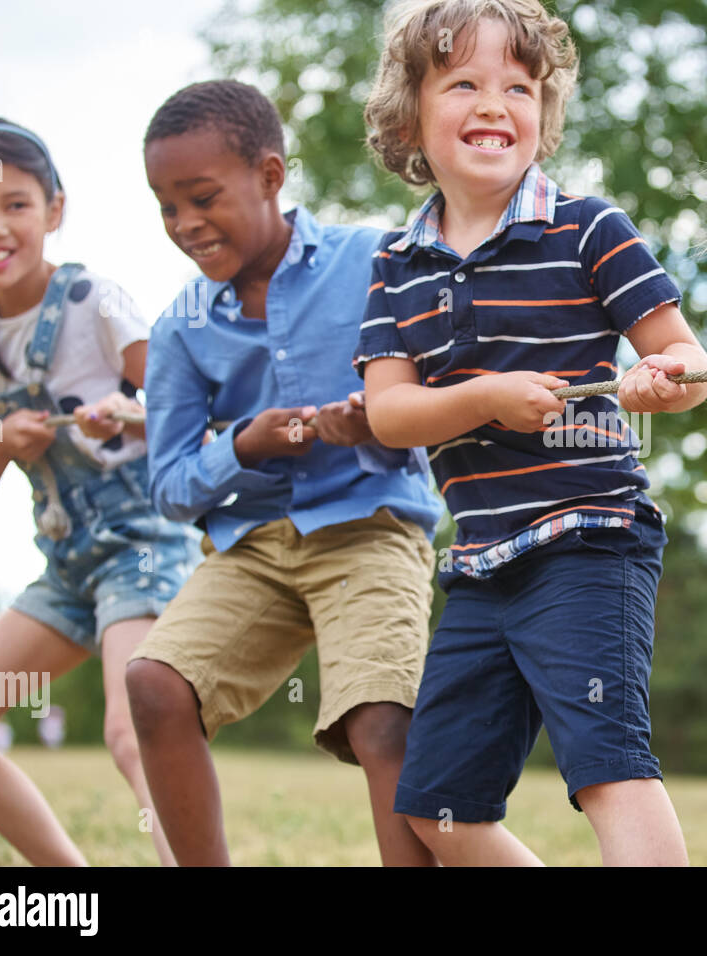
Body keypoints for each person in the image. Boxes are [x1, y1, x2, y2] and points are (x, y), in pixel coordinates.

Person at [355, 0, 707, 865]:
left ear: (543, 117)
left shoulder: (589, 227)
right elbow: (389, 413)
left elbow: (687, 366)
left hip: (590, 538)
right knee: (439, 811)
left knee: (607, 768)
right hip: (480, 564)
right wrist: (484, 399)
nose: (494, 103)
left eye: (518, 86)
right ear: (411, 117)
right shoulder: (396, 266)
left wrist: (657, 383)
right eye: (465, 83)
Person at [125, 80, 446, 866]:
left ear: (270, 176)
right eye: (167, 208)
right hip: (254, 545)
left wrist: (380, 416)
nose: (186, 225)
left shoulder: (376, 261)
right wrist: (245, 443)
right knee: (155, 685)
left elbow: (441, 393)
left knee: (382, 720)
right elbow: (167, 485)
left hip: (371, 526)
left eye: (203, 198)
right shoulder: (181, 329)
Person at [0, 116, 200, 866]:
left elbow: (191, 416)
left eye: (16, 204)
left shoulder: (93, 300)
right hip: (66, 567)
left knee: (134, 728)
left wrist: (129, 412)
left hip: (142, 547)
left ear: (54, 210)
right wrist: (1, 441)